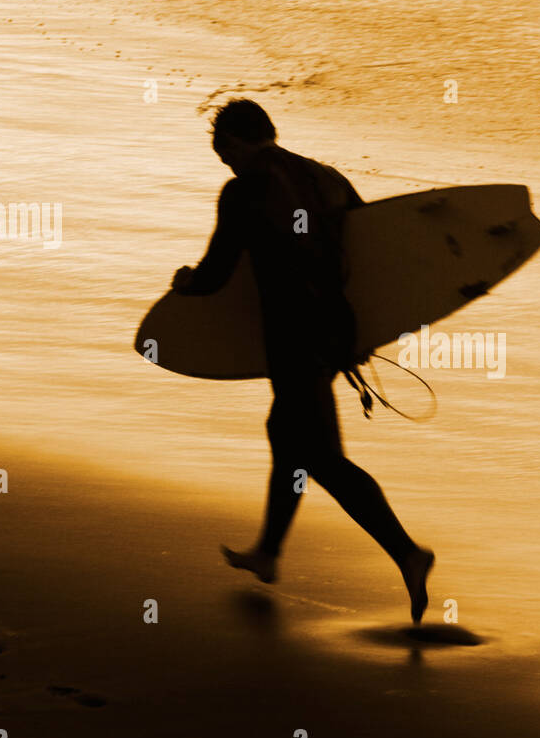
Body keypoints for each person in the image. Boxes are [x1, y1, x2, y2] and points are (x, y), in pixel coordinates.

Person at [172, 98, 434, 623]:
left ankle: (407, 551)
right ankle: (268, 552)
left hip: (295, 339)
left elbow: (217, 272)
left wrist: (185, 284)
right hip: (336, 332)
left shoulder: (244, 190)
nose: (226, 166)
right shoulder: (326, 178)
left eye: (226, 155)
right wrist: (363, 332)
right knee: (286, 432)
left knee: (320, 458)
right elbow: (369, 251)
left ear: (238, 145)